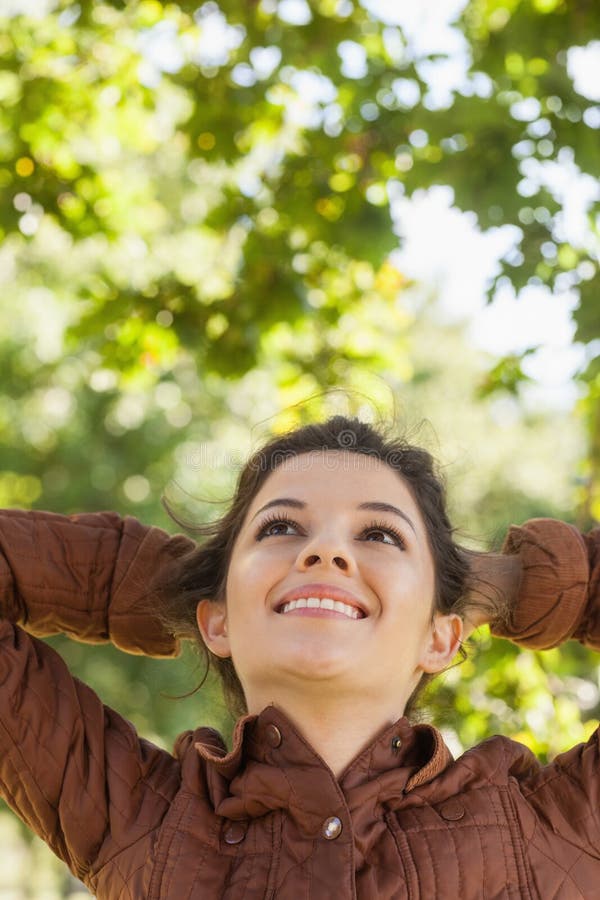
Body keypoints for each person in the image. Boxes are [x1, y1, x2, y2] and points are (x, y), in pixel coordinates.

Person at [0, 415, 598, 899]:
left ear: (441, 638)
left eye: (380, 535)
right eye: (281, 528)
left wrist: (516, 582)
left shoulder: (555, 829)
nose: (326, 550)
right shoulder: (139, 818)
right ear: (216, 624)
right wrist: (184, 582)